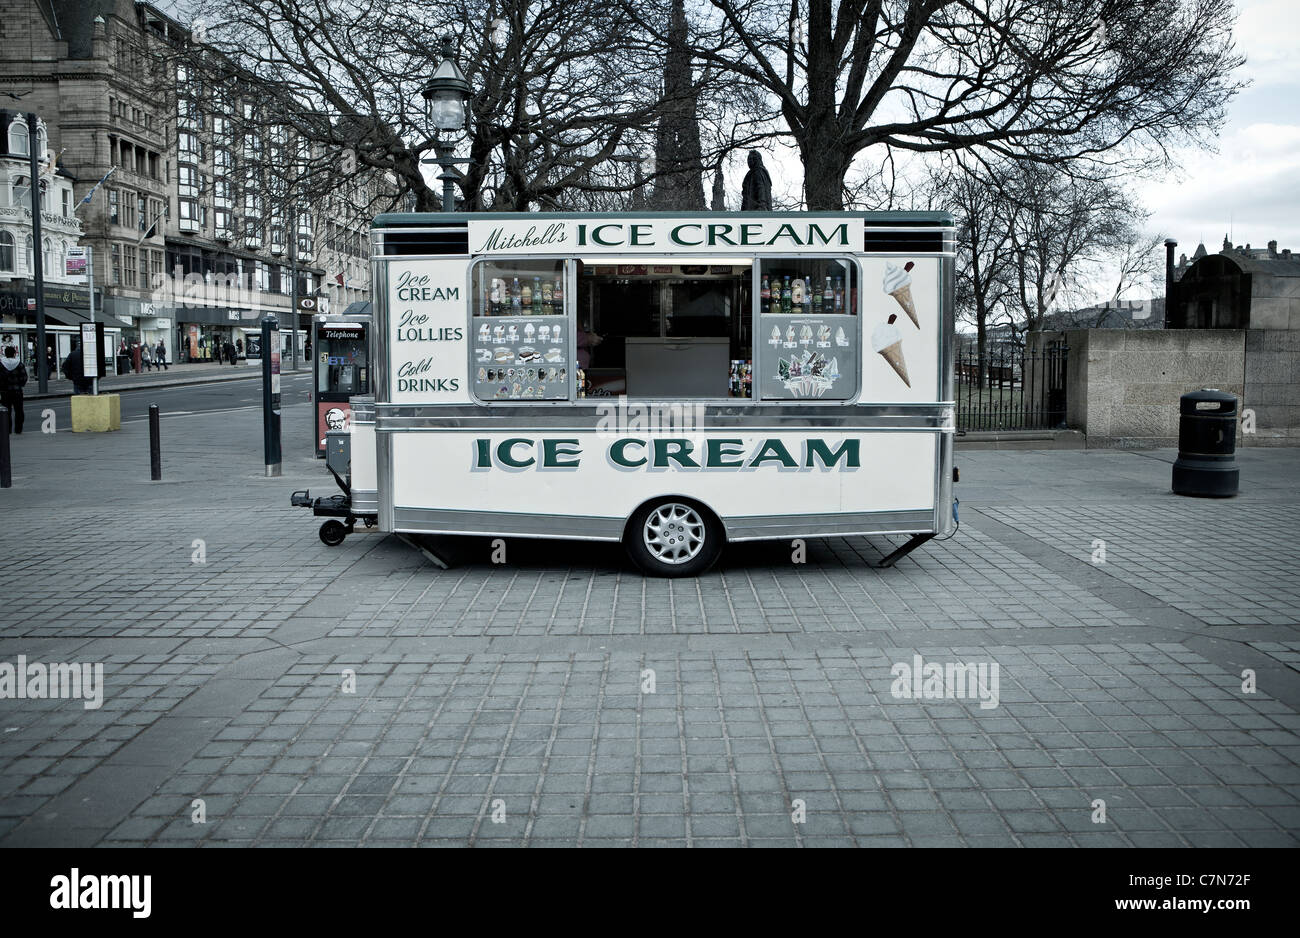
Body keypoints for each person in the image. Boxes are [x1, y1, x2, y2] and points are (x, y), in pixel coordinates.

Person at [0, 345, 27, 434]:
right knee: (19, 411)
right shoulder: (19, 363)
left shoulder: (1, 364)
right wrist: (20, 384)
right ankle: (18, 429)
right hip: (17, 391)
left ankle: (8, 430)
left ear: (5, 354)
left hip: (5, 391)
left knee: (6, 412)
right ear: (14, 354)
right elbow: (24, 377)